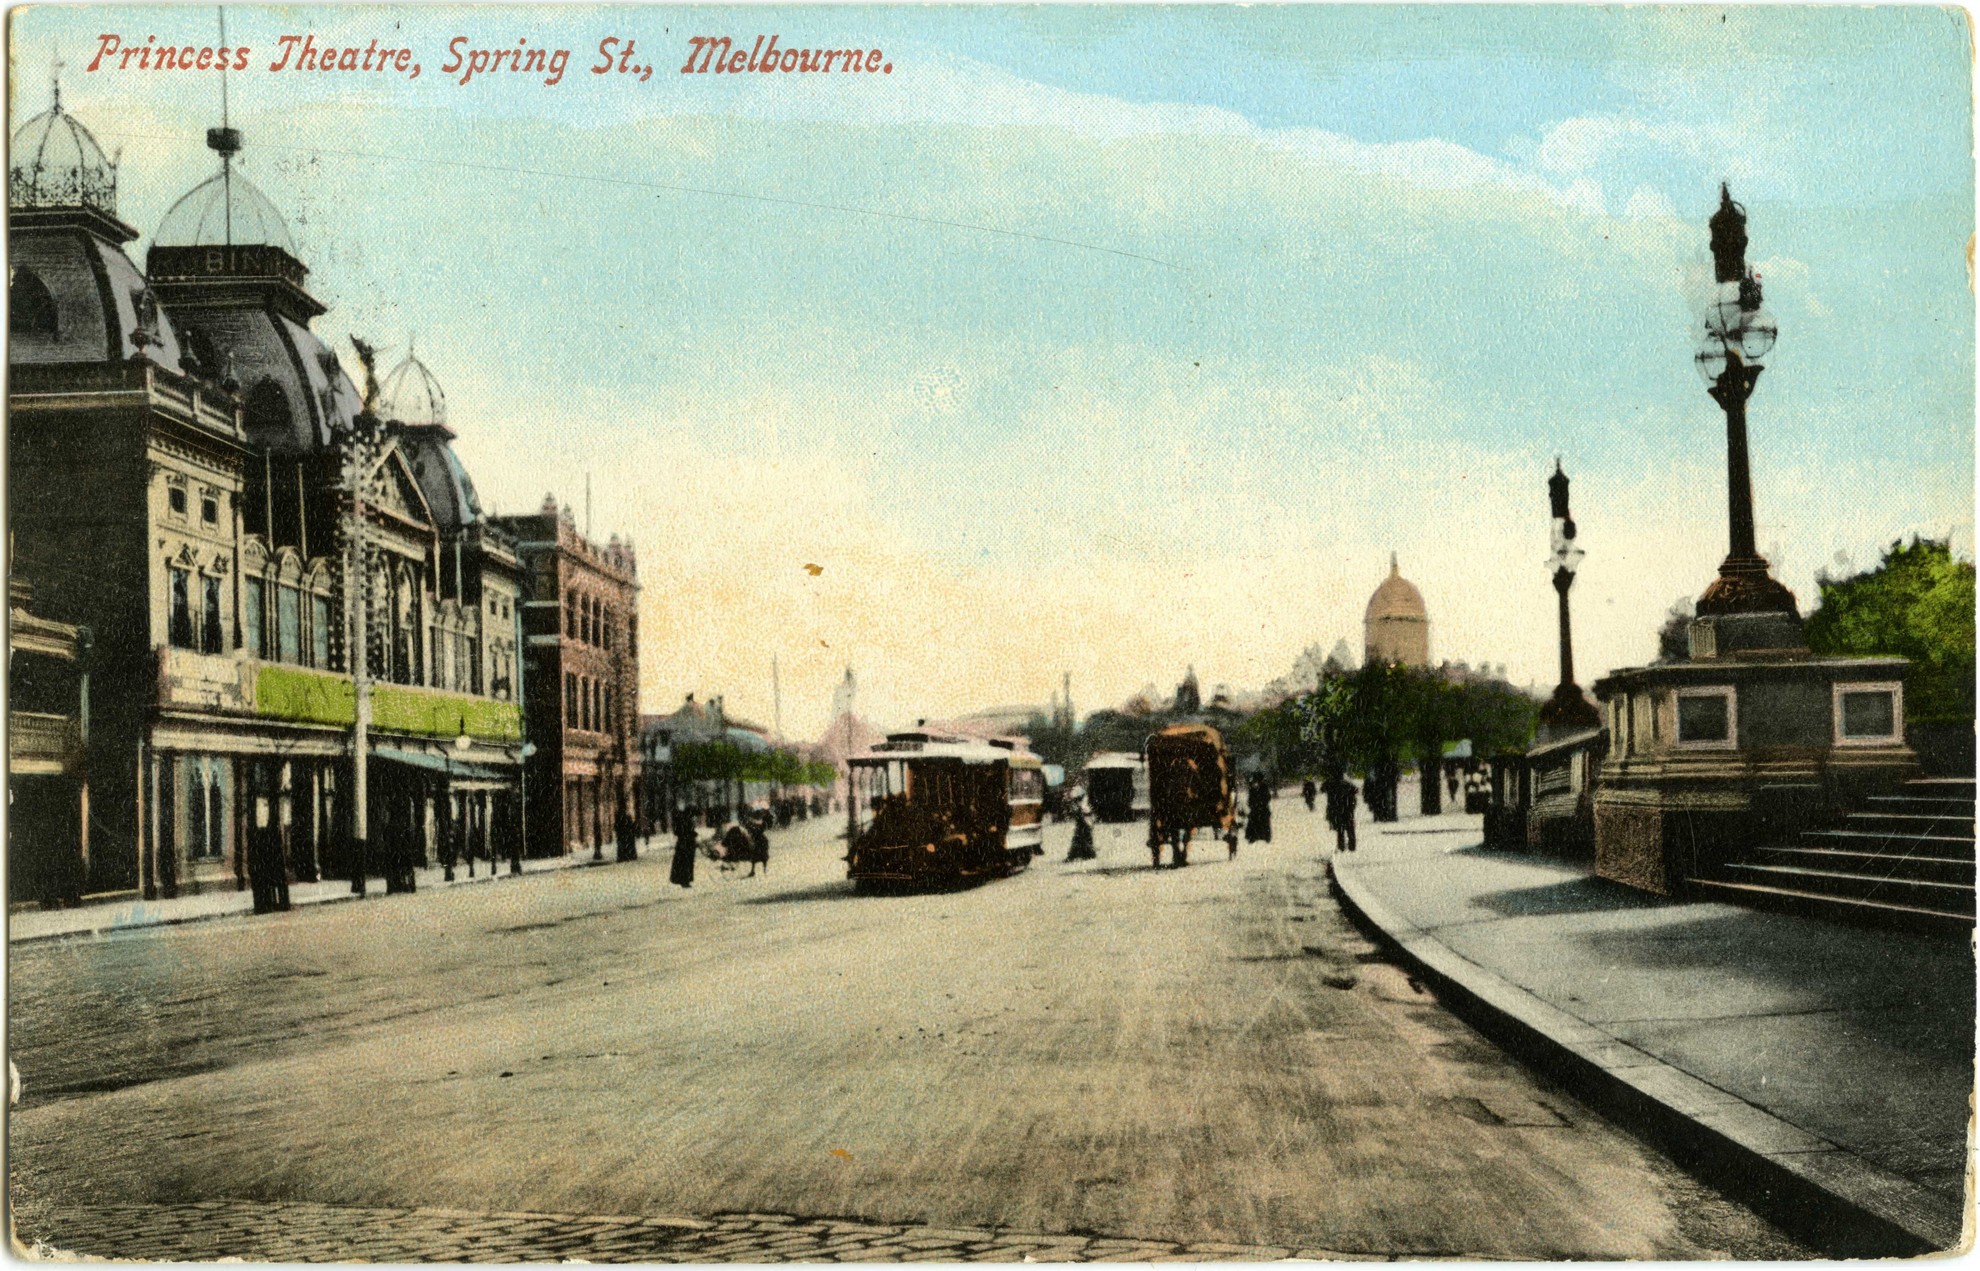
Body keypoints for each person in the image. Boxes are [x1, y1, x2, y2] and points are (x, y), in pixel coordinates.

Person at [1325, 774, 1359, 853]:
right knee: (1350, 828)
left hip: (1338, 810)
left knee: (1340, 830)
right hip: (1347, 809)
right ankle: (1351, 846)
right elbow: (1355, 791)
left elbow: (1324, 790)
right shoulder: (1348, 784)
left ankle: (1342, 846)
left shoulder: (1331, 784)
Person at [669, 808, 698, 888]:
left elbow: (680, 832)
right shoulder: (686, 820)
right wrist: (693, 834)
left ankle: (681, 879)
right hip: (687, 844)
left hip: (682, 844)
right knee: (686, 863)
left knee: (682, 863)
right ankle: (685, 880)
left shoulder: (681, 820)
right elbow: (687, 831)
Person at [1246, 775, 1273, 844]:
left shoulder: (1264, 787)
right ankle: (1253, 837)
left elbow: (1267, 798)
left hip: (1262, 810)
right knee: (1254, 823)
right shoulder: (1252, 788)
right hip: (1255, 810)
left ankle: (1263, 836)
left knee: (1263, 823)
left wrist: (1260, 803)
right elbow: (1250, 800)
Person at [746, 811, 771, 878]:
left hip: (757, 840)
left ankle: (755, 870)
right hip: (759, 840)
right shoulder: (758, 822)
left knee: (756, 855)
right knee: (760, 855)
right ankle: (763, 869)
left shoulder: (752, 823)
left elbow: (750, 830)